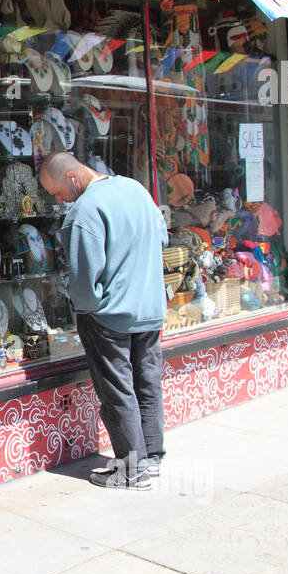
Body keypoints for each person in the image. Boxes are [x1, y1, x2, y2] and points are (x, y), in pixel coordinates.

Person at [38, 151, 168, 489]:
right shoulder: (135, 189)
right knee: (147, 382)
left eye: (56, 193)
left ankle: (131, 468)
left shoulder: (84, 211)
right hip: (150, 308)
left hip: (110, 316)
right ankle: (151, 456)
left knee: (117, 389)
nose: (59, 200)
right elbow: (162, 238)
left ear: (71, 178)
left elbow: (84, 279)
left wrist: (88, 307)